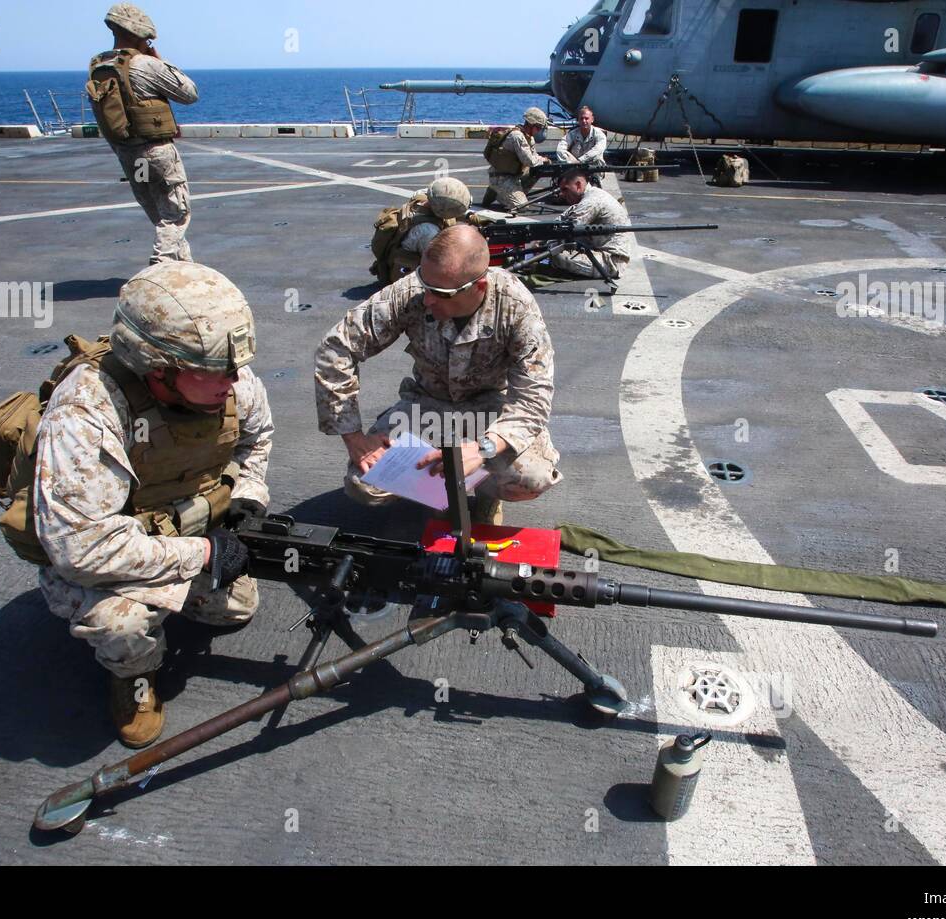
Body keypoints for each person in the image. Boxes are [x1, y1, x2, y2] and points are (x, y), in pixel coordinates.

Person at [34, 262, 274, 748]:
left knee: (236, 608)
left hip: (187, 525)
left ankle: (171, 598)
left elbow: (256, 440)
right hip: (104, 555)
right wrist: (204, 555)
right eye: (217, 372)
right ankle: (133, 677)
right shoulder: (85, 412)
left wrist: (247, 496)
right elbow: (82, 550)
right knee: (121, 624)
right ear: (158, 368)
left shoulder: (225, 378)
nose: (234, 381)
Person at [315, 225, 562, 526]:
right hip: (427, 405)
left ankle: (485, 498)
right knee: (365, 484)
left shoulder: (515, 306)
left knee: (531, 477)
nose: (427, 299)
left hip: (489, 412)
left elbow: (533, 399)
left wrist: (482, 449)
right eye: (424, 284)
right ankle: (440, 493)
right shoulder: (415, 291)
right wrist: (354, 438)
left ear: (479, 287)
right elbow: (336, 348)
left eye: (440, 294)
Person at [88, 3, 199, 264]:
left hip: (127, 152)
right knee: (175, 213)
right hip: (156, 151)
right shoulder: (144, 64)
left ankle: (184, 270)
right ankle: (161, 266)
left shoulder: (100, 66)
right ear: (140, 34)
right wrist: (160, 60)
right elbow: (190, 93)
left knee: (160, 214)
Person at [369, 176, 473, 285]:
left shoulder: (422, 196)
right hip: (407, 273)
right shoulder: (428, 232)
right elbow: (438, 262)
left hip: (399, 251)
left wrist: (469, 217)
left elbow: (443, 201)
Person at [547, 169, 632, 279]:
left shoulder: (591, 201)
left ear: (578, 185)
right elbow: (562, 219)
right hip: (599, 249)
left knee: (555, 255)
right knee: (553, 246)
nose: (562, 194)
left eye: (565, 189)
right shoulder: (590, 196)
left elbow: (568, 229)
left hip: (610, 262)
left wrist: (547, 242)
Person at [482, 107, 551, 211]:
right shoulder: (517, 137)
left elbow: (533, 156)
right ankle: (497, 192)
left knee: (537, 170)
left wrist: (542, 160)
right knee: (521, 206)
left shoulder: (528, 137)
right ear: (532, 125)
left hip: (513, 174)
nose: (539, 131)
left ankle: (503, 191)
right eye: (539, 127)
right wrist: (544, 160)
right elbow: (530, 161)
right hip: (501, 177)